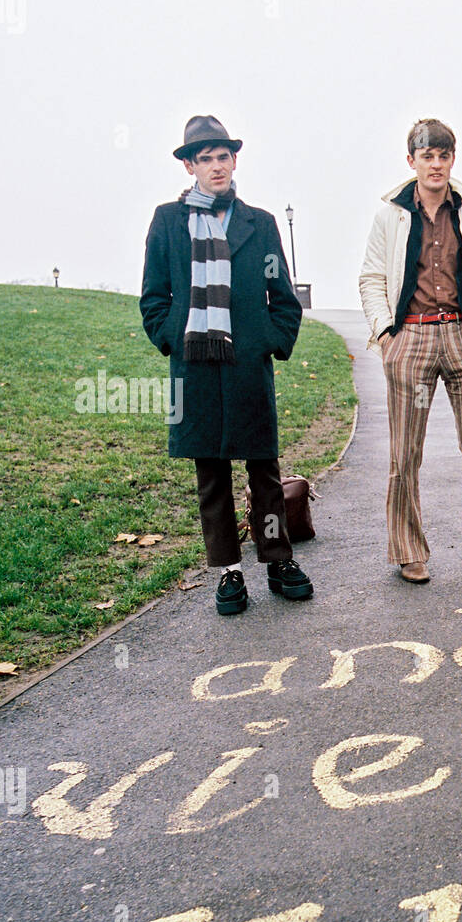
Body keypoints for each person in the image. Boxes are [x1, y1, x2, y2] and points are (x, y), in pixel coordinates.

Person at [139, 114, 311, 616]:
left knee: (264, 468)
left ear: (234, 160)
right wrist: (173, 337)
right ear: (190, 165)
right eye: (205, 158)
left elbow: (282, 296)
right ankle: (228, 572)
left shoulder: (259, 223)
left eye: (223, 157)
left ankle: (278, 560)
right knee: (210, 472)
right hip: (194, 366)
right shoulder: (168, 222)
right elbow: (153, 297)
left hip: (246, 363)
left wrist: (269, 342)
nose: (216, 166)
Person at [359, 118, 462, 583]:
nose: (437, 164)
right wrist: (387, 335)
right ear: (412, 162)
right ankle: (408, 551)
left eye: (444, 155)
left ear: (452, 159)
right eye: (428, 156)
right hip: (413, 338)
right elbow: (371, 279)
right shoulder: (391, 215)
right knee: (405, 455)